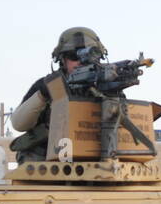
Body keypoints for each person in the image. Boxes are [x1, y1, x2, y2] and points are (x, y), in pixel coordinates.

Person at [9, 27, 105, 161]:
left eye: (88, 56)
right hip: (47, 161)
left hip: (90, 159)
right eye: (73, 56)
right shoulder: (48, 85)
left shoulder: (105, 87)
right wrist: (44, 93)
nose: (80, 61)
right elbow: (19, 124)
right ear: (63, 60)